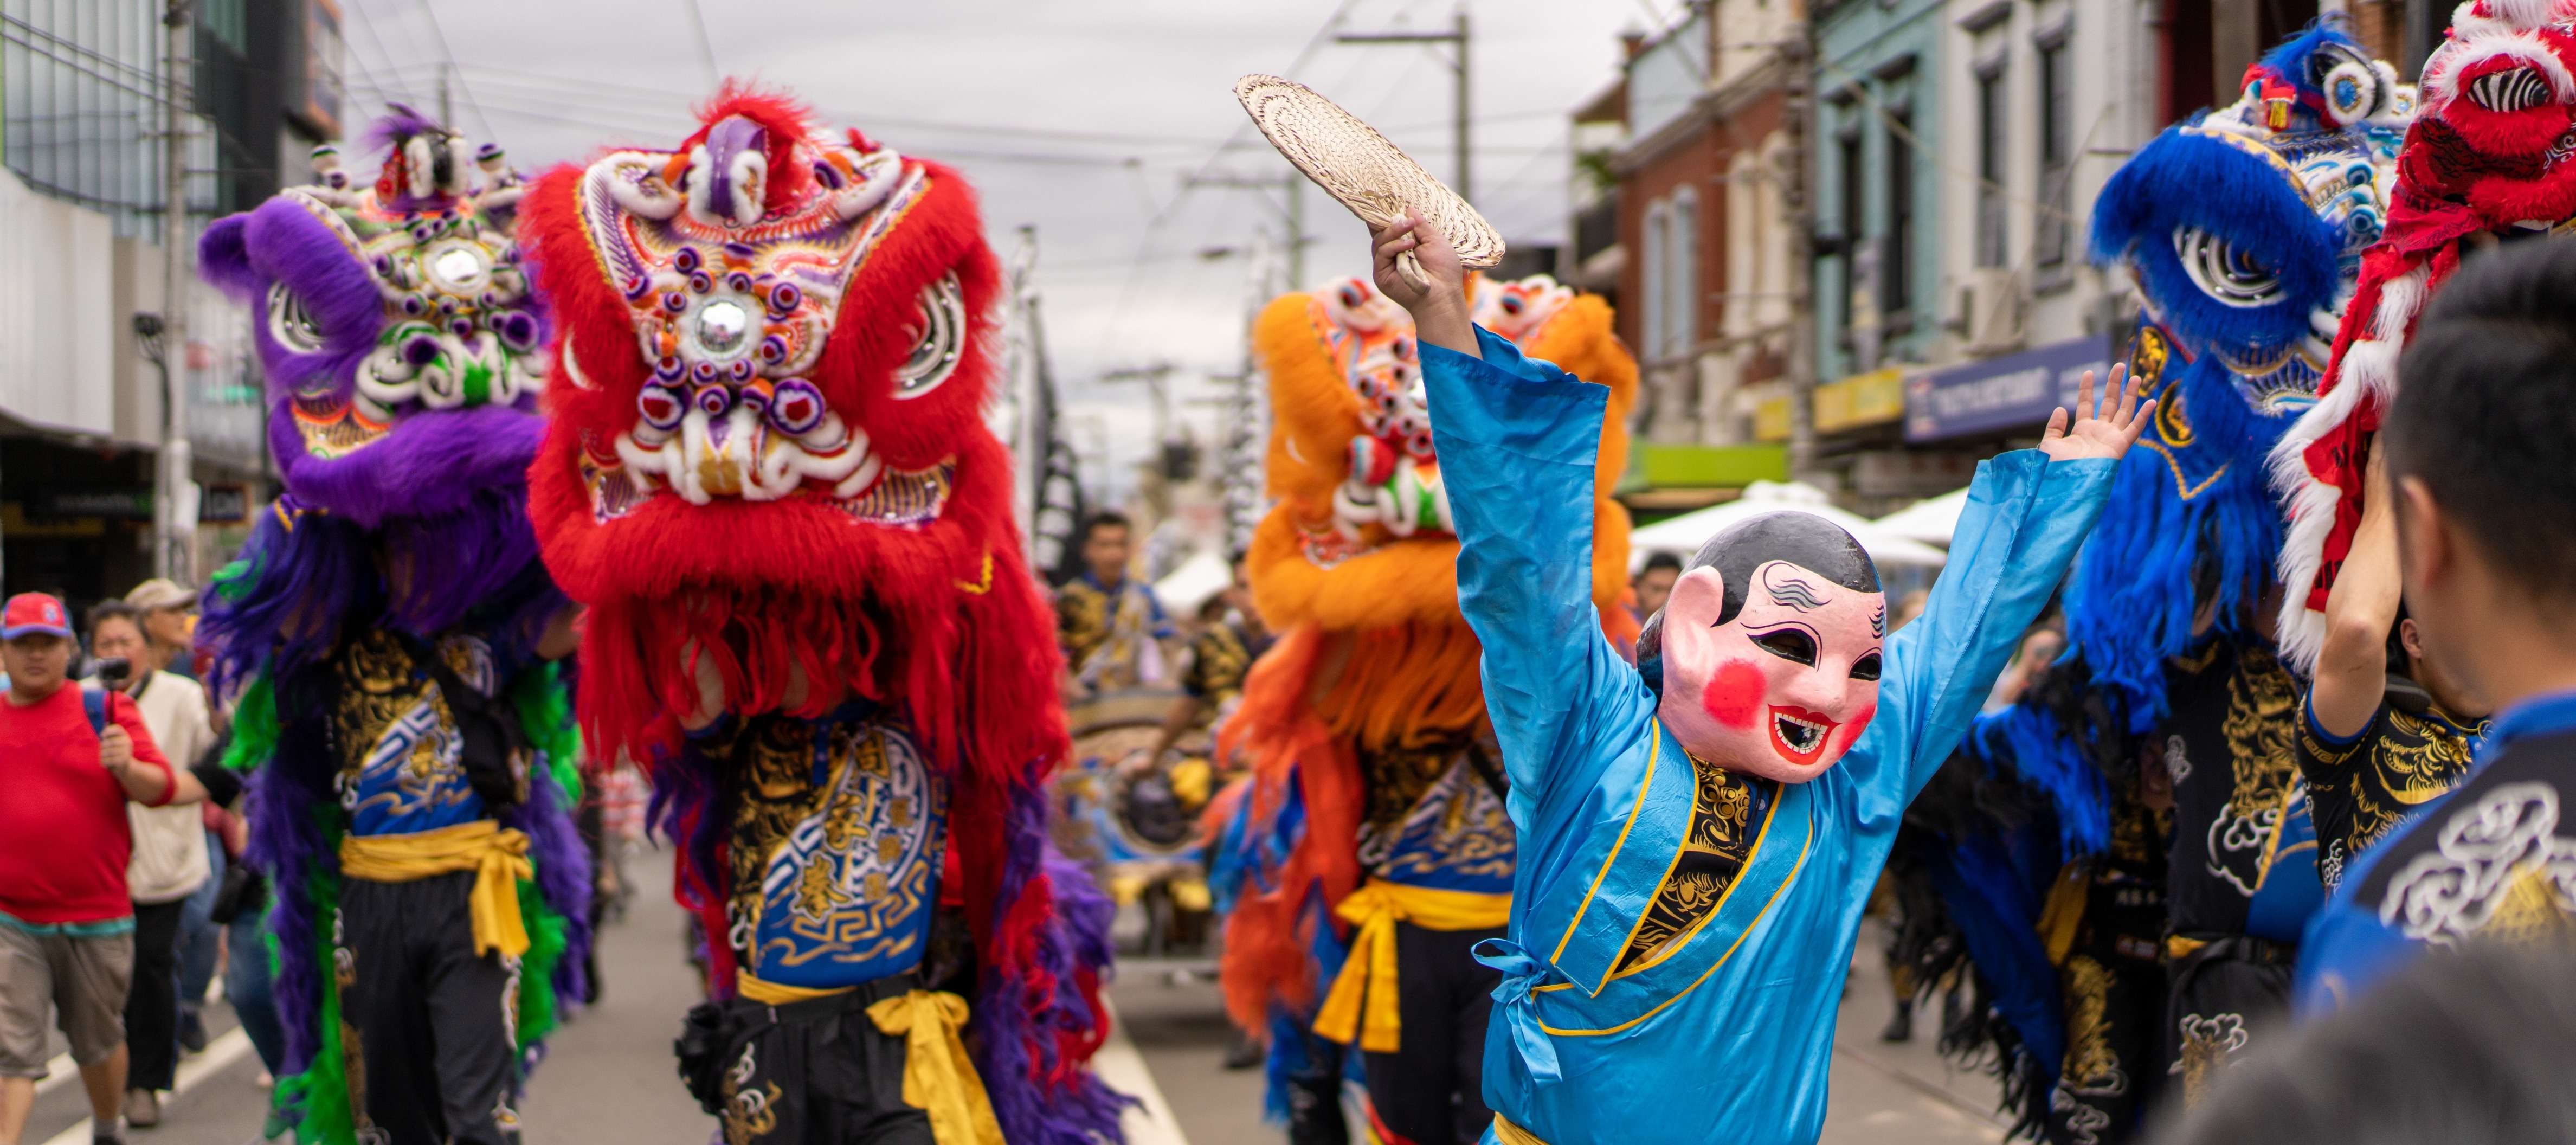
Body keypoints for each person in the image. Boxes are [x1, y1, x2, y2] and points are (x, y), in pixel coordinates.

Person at [1373, 208, 2145, 1145]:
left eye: (1863, 663)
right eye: (1789, 645)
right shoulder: (1589, 732)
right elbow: (1517, 564)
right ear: (1696, 625)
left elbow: (1960, 638)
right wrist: (1447, 324)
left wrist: (2063, 490)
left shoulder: (1852, 781)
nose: (1828, 692)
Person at [516, 86, 1122, 1144]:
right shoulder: (724, 699)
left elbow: (998, 714)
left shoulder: (926, 667)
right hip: (774, 1031)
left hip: (903, 1032)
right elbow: (670, 674)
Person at [194, 110, 590, 1145]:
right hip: (368, 896)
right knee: (388, 1119)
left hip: (473, 886)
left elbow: (575, 613)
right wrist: (327, 482)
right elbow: (270, 597)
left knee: (477, 1116)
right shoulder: (331, 630)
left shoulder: (494, 637)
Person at [1216, 266, 1639, 1145]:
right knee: (1404, 1123)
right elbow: (1299, 853)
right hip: (1396, 932)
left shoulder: (1573, 682)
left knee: (1501, 1124)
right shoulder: (1339, 684)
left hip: (1520, 945)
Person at [2296, 237, 2576, 1013]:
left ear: (2433, 540)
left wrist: (2389, 480)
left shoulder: (2395, 907)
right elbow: (2355, 640)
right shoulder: (2373, 737)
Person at [1, 593, 208, 1145]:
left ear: (70, 649)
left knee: (95, 1041)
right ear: (4, 652)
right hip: (11, 916)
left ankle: (107, 1126)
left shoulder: (105, 710)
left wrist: (127, 767)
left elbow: (162, 789)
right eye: (23, 645)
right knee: (12, 1050)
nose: (36, 655)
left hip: (95, 913)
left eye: (48, 643)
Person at [2296, 436, 2489, 893]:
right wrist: (2385, 500)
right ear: (2415, 637)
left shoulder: (2529, 726)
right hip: (2380, 965)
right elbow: (2360, 629)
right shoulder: (2362, 730)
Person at [85, 601, 215, 1128]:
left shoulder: (181, 696)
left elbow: (217, 760)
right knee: (105, 978)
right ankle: (109, 1073)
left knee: (152, 967)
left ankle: (146, 1083)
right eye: (105, 645)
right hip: (98, 864)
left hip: (166, 861)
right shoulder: (83, 699)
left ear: (148, 647)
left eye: (126, 643)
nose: (117, 654)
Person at [1148, 552, 1273, 764]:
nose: (1252, 596)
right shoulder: (1213, 641)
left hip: (1279, 764)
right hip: (1227, 763)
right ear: (1231, 593)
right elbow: (1189, 705)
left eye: (1260, 583)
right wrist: (1153, 756)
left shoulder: (1294, 642)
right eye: (1243, 587)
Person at [1057, 511, 1178, 699]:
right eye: (1105, 545)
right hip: (1083, 702)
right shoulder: (1069, 598)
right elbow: (1055, 655)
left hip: (1130, 700)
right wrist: (1076, 693)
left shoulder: (1143, 596)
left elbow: (1169, 644)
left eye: (1120, 545)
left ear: (1130, 548)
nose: (1114, 553)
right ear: (1089, 550)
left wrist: (1170, 682)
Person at [122, 580, 198, 681]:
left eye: (183, 610)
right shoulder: (122, 675)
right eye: (172, 610)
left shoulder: (197, 668)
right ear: (145, 620)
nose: (184, 617)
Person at [1630, 552, 1681, 623]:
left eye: (1671, 590)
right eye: (1657, 589)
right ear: (1639, 587)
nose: (1664, 597)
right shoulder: (1622, 624)